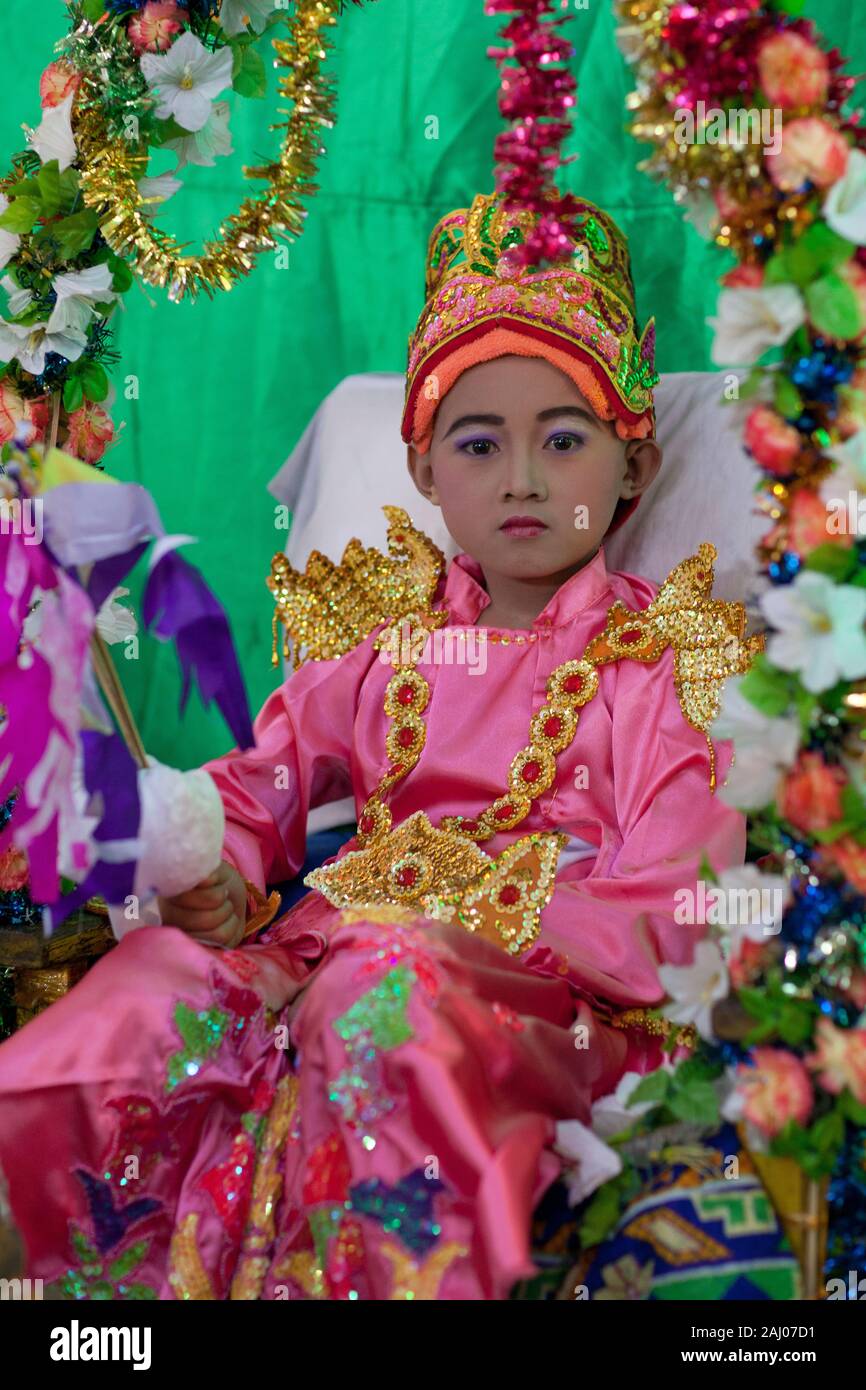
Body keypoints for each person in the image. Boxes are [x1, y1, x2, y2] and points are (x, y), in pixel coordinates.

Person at [0, 190, 756, 1301]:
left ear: (632, 469)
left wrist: (454, 929)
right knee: (150, 983)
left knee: (384, 988)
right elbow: (255, 788)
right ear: (424, 469)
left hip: (524, 995)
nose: (523, 478)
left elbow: (675, 899)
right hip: (315, 953)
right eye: (478, 443)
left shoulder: (659, 660)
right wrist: (209, 866)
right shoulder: (380, 642)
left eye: (563, 440)